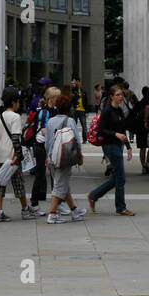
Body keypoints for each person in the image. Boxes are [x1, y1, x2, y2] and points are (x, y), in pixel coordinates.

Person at [0, 88, 39, 220]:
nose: (19, 104)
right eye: (18, 102)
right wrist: (18, 155)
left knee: (0, 184)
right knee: (18, 184)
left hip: (0, 155)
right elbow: (16, 138)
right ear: (13, 102)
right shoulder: (16, 117)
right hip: (12, 157)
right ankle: (25, 210)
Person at [88, 85, 134, 216]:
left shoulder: (119, 110)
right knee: (121, 178)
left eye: (122, 95)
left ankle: (93, 195)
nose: (121, 97)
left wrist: (128, 147)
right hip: (109, 146)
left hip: (118, 145)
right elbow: (101, 129)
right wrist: (116, 135)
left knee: (118, 178)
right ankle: (120, 207)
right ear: (111, 96)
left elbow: (123, 130)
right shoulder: (107, 111)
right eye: (118, 95)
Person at [44, 92, 87, 223]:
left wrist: (47, 157)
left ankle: (74, 210)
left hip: (52, 157)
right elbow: (77, 141)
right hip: (65, 158)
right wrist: (79, 155)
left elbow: (46, 142)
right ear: (69, 108)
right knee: (59, 186)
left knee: (63, 184)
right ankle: (52, 214)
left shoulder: (50, 121)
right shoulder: (70, 121)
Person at [30, 85, 58, 210]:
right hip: (42, 147)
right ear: (51, 98)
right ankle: (34, 203)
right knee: (40, 175)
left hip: (49, 146)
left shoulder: (55, 110)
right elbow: (42, 131)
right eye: (56, 96)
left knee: (53, 176)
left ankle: (56, 202)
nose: (58, 98)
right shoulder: (44, 111)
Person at [135, 85, 149, 173]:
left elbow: (134, 114)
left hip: (140, 127)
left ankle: (143, 166)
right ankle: (147, 162)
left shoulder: (139, 103)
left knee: (142, 148)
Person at [70, 76, 88, 141]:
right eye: (75, 82)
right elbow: (71, 100)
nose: (76, 83)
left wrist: (86, 110)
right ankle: (73, 139)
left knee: (84, 126)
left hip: (82, 110)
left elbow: (86, 101)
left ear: (79, 82)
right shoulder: (72, 90)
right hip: (75, 110)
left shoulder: (83, 91)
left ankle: (85, 139)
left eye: (77, 82)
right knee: (73, 125)